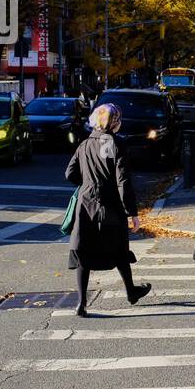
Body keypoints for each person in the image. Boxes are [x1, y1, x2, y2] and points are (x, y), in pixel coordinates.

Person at [65, 103, 151, 317]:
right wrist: (132, 212)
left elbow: (70, 173)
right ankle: (131, 292)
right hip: (110, 204)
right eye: (117, 119)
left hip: (85, 205)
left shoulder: (85, 144)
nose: (119, 123)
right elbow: (123, 181)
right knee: (119, 249)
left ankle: (81, 303)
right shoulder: (117, 144)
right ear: (113, 122)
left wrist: (87, 183)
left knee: (83, 252)